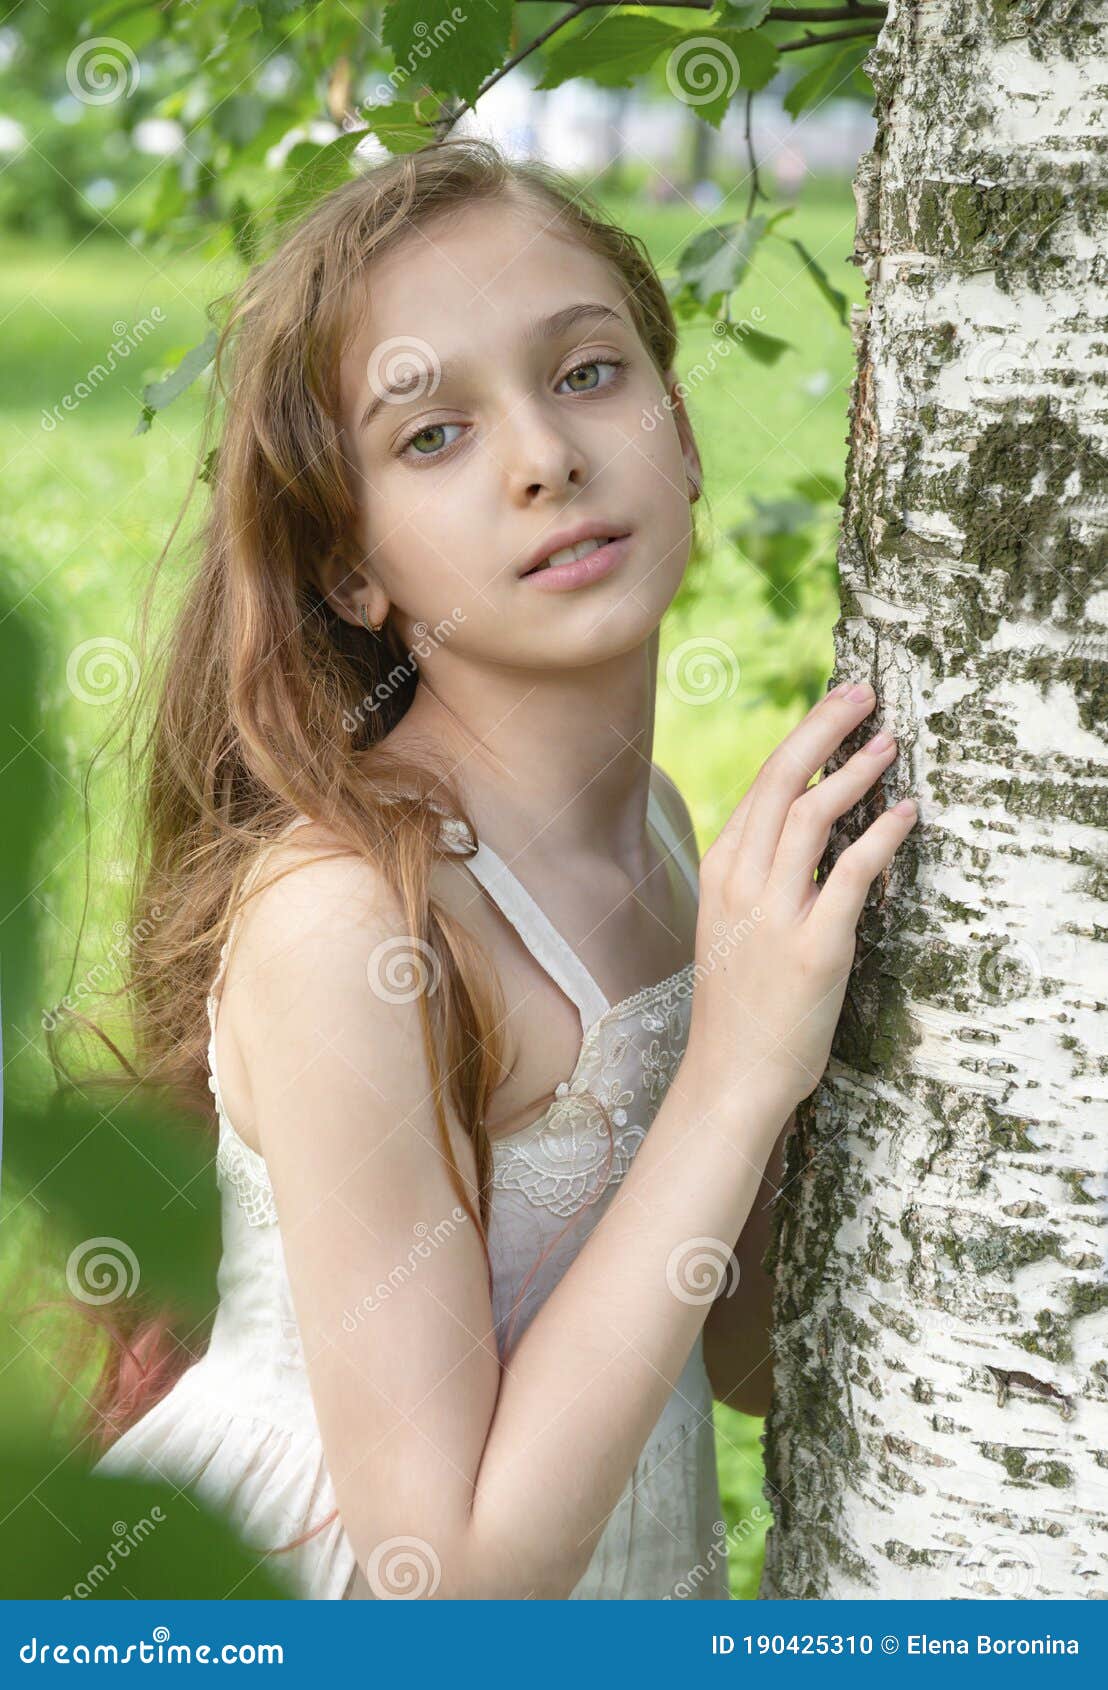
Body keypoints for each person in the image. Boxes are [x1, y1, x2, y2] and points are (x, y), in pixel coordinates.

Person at [86, 137, 916, 1599]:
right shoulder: (350, 918)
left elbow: (734, 1357)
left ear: (684, 427)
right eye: (431, 436)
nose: (544, 457)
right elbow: (449, 1577)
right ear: (353, 569)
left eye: (587, 372)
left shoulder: (656, 829)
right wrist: (733, 1069)